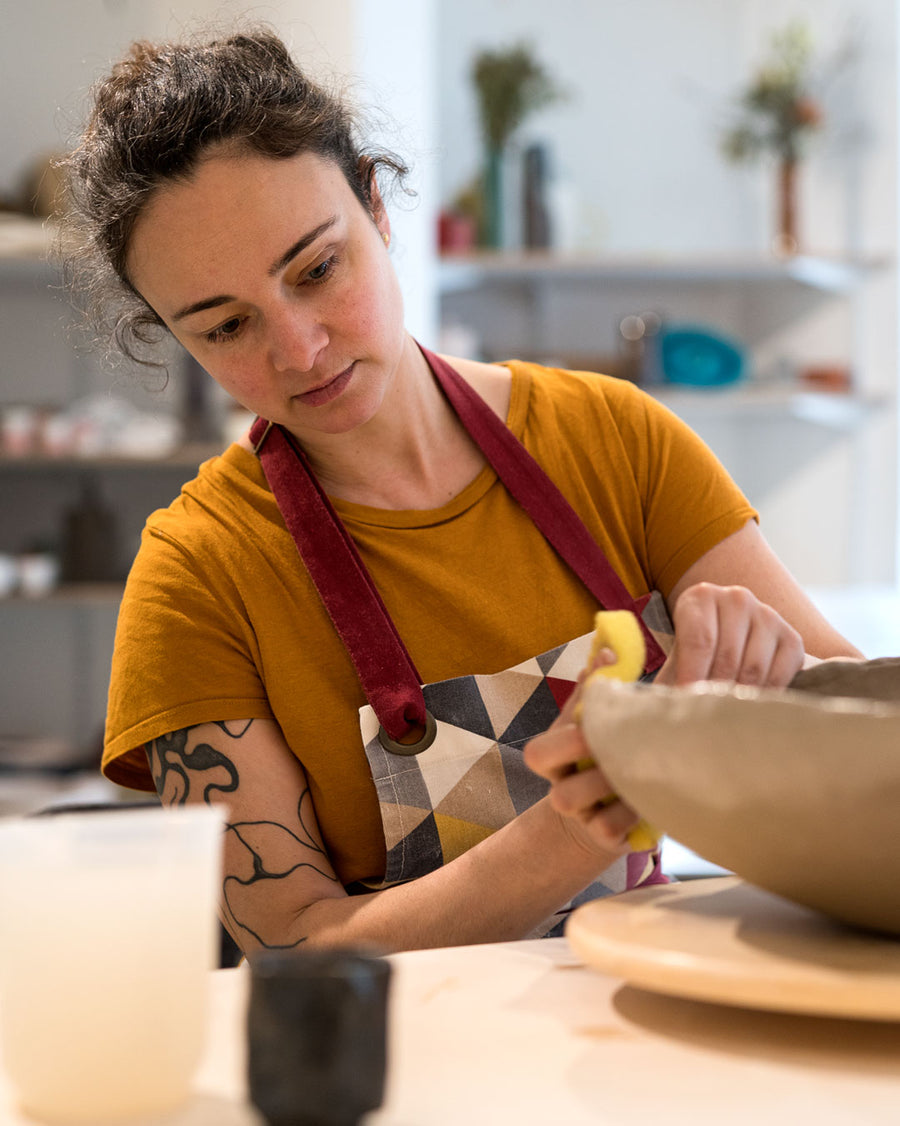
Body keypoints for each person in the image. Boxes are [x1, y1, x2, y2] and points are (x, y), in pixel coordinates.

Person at [62, 28, 861, 957]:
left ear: (377, 205)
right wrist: (573, 826)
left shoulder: (614, 442)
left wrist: (770, 682)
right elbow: (288, 949)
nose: (299, 348)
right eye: (226, 326)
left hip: (641, 1044)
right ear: (171, 337)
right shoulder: (198, 574)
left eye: (318, 269)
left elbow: (869, 733)